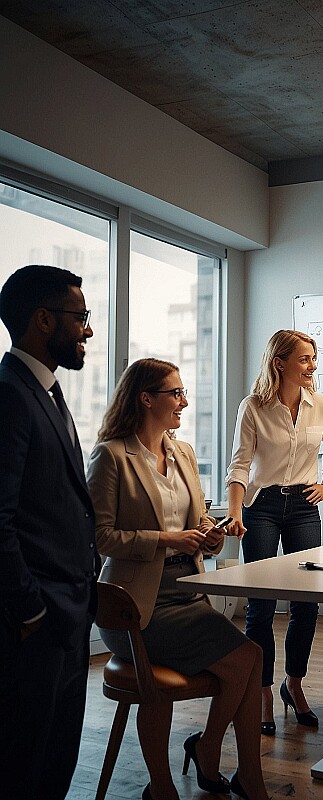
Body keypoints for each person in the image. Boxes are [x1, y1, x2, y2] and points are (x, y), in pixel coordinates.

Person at [86, 359, 270, 800]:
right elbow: (99, 537)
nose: (185, 401)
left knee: (251, 657)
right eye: (176, 393)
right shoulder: (111, 455)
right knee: (247, 659)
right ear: (146, 398)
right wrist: (168, 539)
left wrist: (209, 534)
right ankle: (176, 778)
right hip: (135, 606)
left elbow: (196, 521)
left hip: (187, 593)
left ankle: (233, 766)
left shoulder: (183, 452)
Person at [0, 265, 98, 800]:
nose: (87, 330)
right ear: (43, 320)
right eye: (80, 317)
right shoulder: (10, 396)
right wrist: (32, 608)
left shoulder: (49, 393)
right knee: (25, 765)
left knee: (57, 759)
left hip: (68, 614)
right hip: (38, 621)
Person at [226, 329, 323, 734]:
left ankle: (293, 684)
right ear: (281, 363)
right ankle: (261, 693)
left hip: (304, 507)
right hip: (262, 507)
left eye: (314, 358)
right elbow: (240, 464)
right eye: (305, 359)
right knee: (261, 604)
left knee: (306, 601)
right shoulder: (254, 407)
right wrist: (236, 511)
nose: (313, 366)